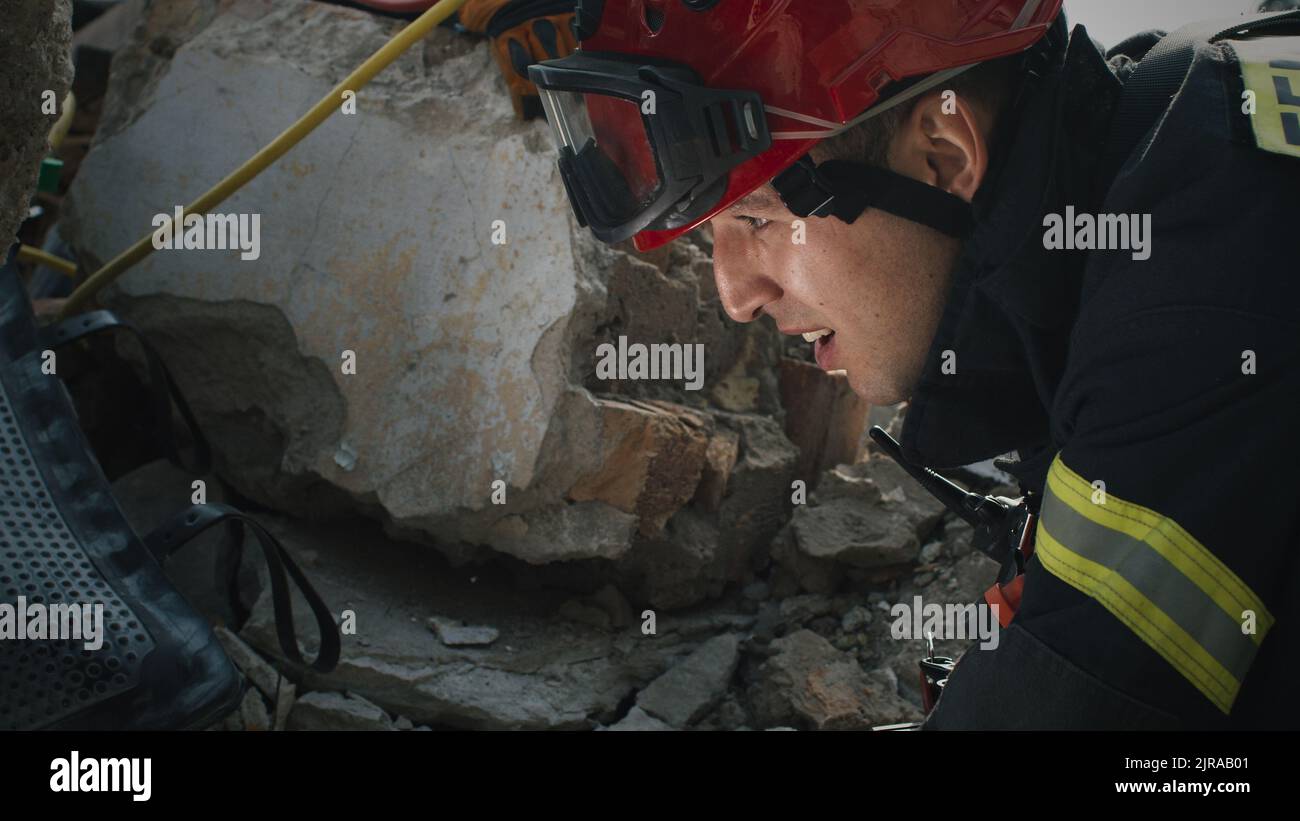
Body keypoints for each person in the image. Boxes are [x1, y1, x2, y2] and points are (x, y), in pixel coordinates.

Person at [529, 0, 1300, 730]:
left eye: (759, 219)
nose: (734, 294)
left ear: (942, 153)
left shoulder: (1199, 282)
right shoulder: (1158, 142)